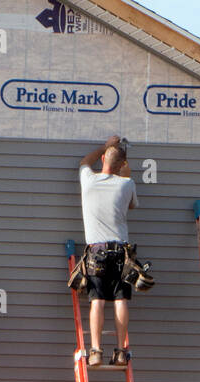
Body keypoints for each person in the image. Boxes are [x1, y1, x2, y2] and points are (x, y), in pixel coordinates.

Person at [78, 135, 138, 367]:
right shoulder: (127, 184)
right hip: (121, 252)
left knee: (98, 301)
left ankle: (95, 351)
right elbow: (130, 204)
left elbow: (84, 161)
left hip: (97, 252)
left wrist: (105, 146)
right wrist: (125, 169)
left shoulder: (89, 181)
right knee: (121, 299)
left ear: (103, 159)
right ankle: (121, 352)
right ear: (122, 165)